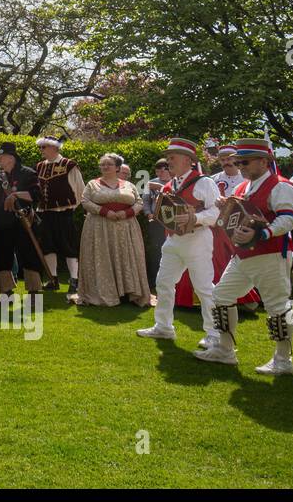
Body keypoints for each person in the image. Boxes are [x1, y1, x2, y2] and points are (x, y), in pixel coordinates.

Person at [196, 138, 293, 374]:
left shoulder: (280, 185)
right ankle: (225, 350)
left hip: (271, 254)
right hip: (242, 255)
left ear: (264, 161)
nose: (240, 165)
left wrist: (264, 232)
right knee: (221, 295)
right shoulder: (243, 187)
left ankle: (283, 360)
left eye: (245, 161)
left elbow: (288, 219)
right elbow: (241, 215)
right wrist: (227, 208)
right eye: (238, 161)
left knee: (277, 306)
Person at [137, 138, 222, 349]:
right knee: (163, 282)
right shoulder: (169, 184)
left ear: (188, 160)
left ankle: (215, 334)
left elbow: (217, 212)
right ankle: (163, 326)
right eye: (167, 157)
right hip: (173, 240)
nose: (168, 161)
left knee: (203, 287)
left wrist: (195, 218)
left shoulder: (204, 182)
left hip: (197, 240)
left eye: (172, 157)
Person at [76, 153, 150, 307]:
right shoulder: (92, 184)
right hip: (99, 227)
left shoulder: (129, 185)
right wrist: (105, 212)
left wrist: (127, 213)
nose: (105, 167)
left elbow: (139, 202)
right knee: (103, 257)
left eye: (108, 164)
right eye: (102, 164)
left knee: (126, 257)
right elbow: (85, 201)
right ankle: (105, 292)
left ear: (117, 167)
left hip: (126, 228)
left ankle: (128, 291)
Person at [0, 142, 42, 295]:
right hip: (3, 223)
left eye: (1, 157)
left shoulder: (28, 173)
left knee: (29, 256)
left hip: (23, 221)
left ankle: (34, 291)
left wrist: (16, 195)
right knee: (3, 257)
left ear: (11, 158)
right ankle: (6, 291)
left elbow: (36, 196)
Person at [34, 136, 83, 292]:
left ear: (55, 148)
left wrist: (70, 207)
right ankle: (52, 279)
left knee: (68, 247)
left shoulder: (69, 165)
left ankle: (74, 280)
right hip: (44, 213)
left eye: (44, 147)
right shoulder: (39, 166)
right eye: (40, 147)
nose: (41, 150)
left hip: (64, 213)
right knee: (48, 247)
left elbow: (80, 189)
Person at [141, 158, 171, 292]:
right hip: (156, 221)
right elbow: (145, 200)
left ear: (168, 169)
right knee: (155, 250)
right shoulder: (151, 182)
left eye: (162, 169)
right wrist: (148, 214)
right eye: (157, 169)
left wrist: (160, 188)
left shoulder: (174, 182)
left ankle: (170, 281)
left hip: (170, 221)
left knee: (170, 250)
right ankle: (153, 280)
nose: (159, 172)